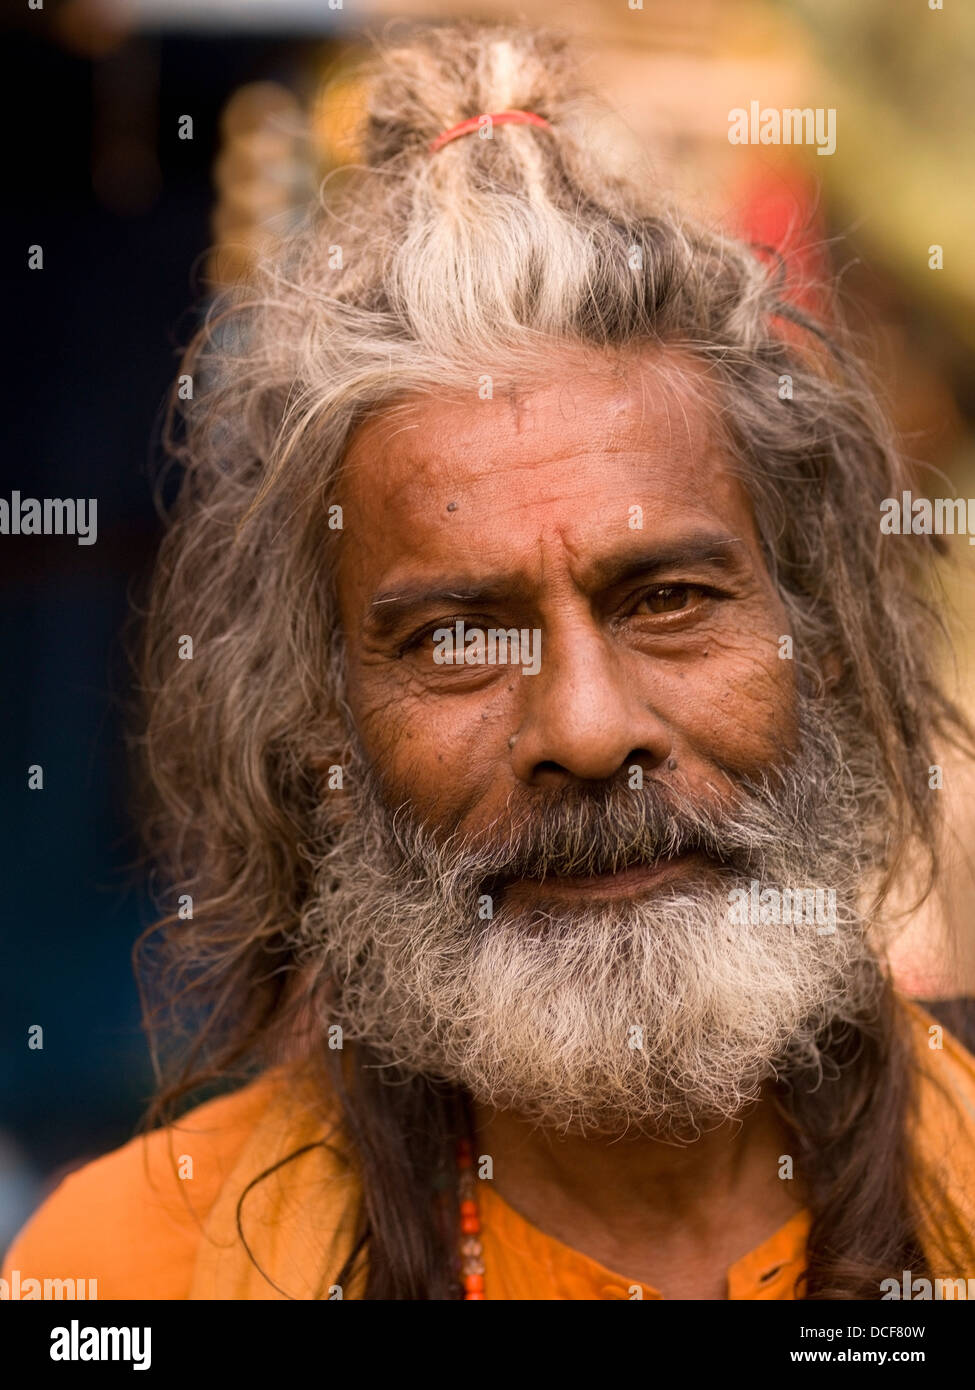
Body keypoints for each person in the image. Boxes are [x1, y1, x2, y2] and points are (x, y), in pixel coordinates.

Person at [6, 19, 975, 1301]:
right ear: (320, 727)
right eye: (458, 639)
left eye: (671, 599)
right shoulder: (126, 1274)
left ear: (831, 648)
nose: (585, 726)